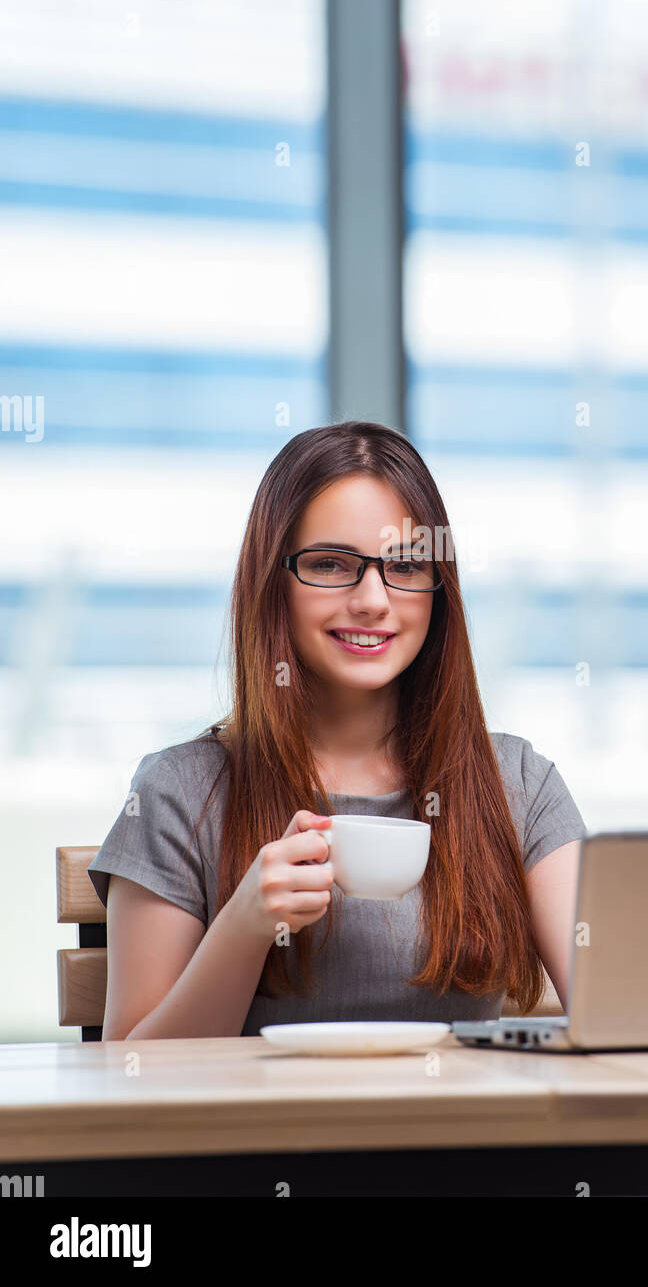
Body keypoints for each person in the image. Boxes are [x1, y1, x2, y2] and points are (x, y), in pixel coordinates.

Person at [88, 420, 586, 1039]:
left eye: (405, 565)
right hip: (261, 1137)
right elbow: (129, 1074)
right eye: (330, 564)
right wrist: (244, 927)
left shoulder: (516, 784)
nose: (374, 599)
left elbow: (616, 1014)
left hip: (463, 1135)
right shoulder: (180, 791)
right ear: (273, 583)